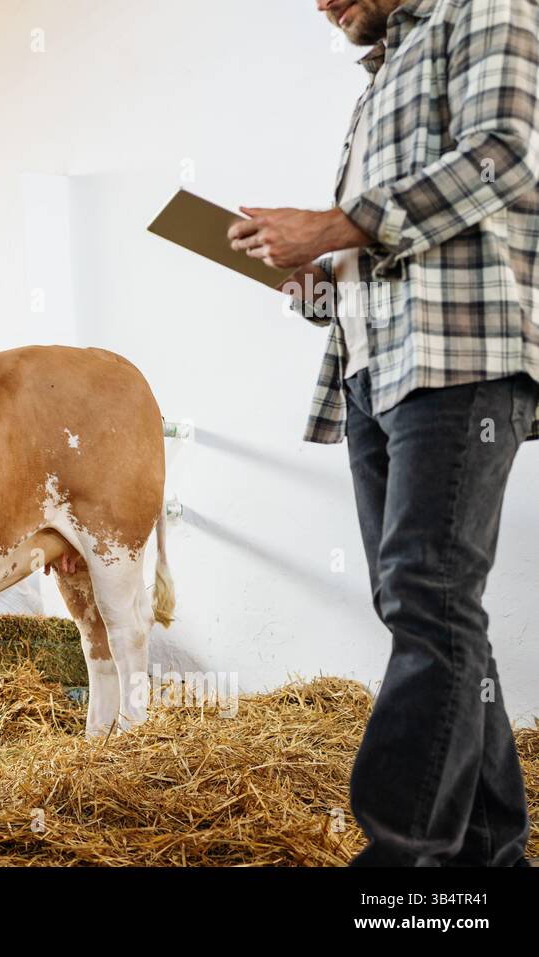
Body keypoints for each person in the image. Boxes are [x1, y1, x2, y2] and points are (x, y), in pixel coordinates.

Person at [228, 0, 539, 865]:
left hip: (460, 358)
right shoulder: (376, 84)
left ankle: (400, 868)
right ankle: (492, 857)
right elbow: (391, 249)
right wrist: (321, 281)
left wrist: (333, 226)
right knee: (430, 608)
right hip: (374, 372)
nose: (320, 3)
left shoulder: (485, 9)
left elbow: (507, 158)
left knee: (426, 597)